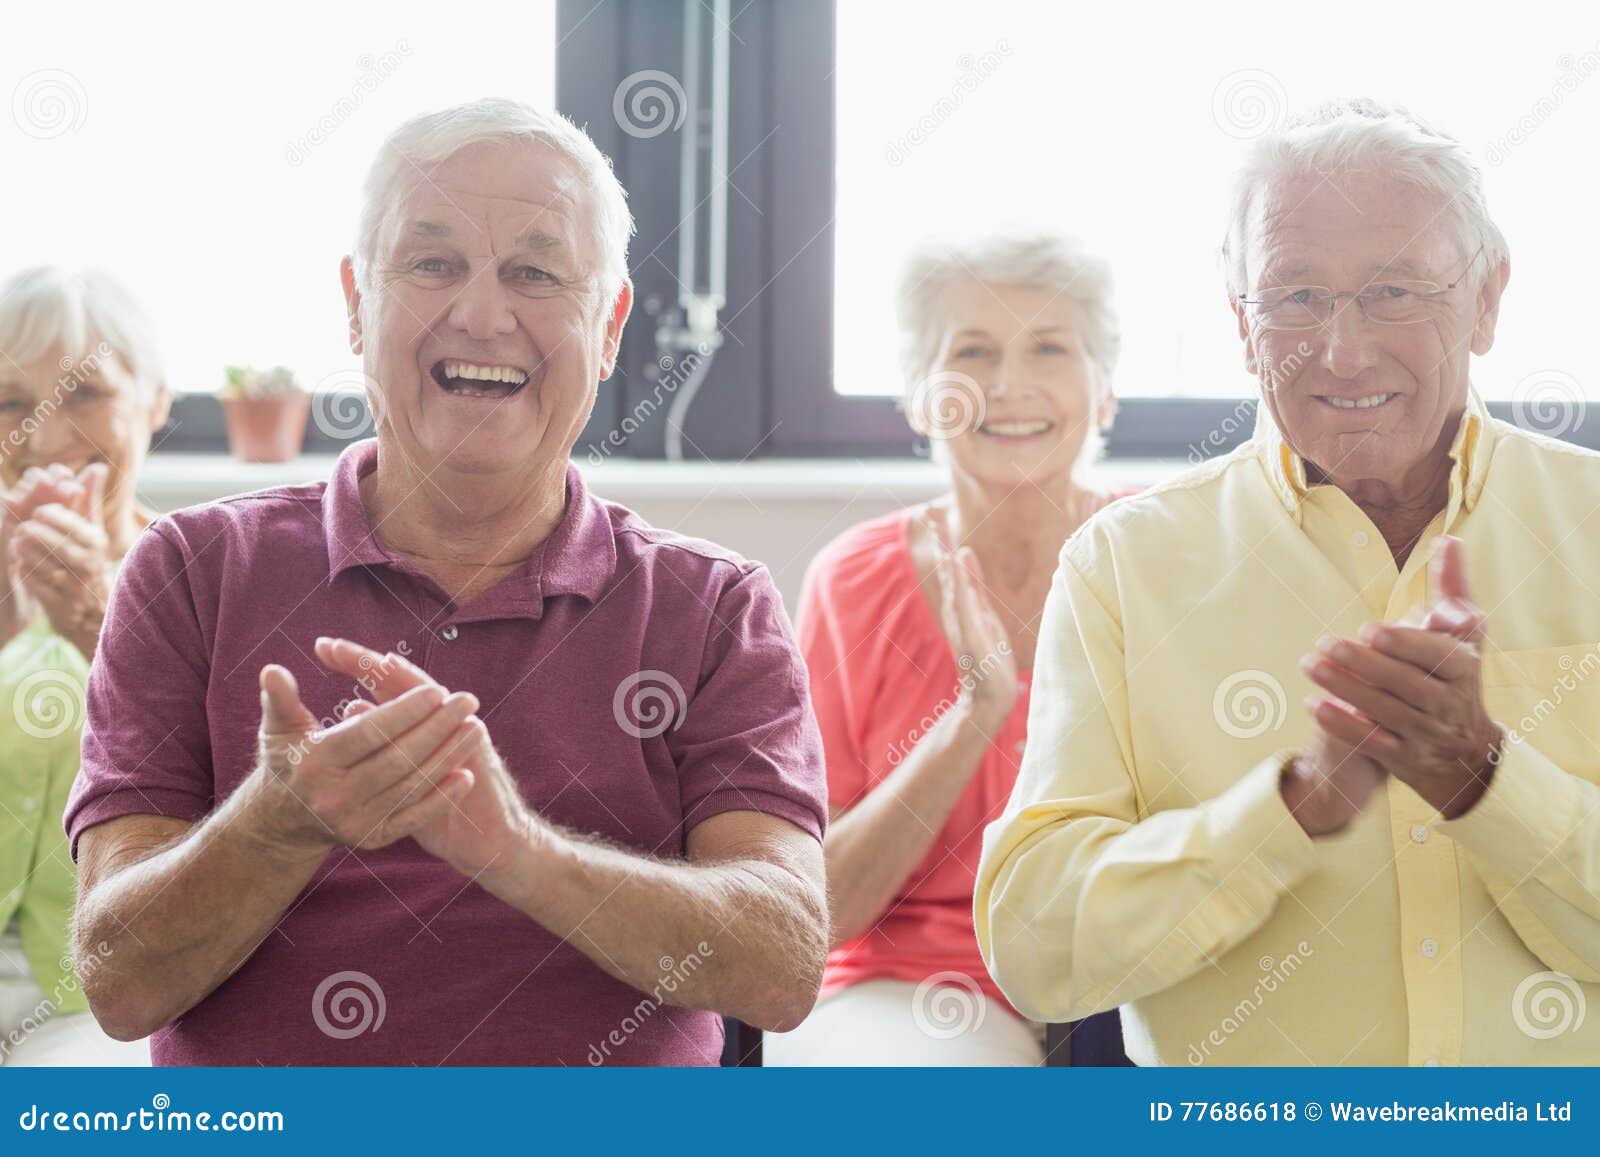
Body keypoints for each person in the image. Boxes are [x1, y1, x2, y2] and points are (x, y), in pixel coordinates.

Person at [64, 98, 829, 1066]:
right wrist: (278, 823)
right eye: (431, 263)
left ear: (608, 325)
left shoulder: (712, 606)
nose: (480, 312)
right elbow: (118, 981)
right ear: (354, 301)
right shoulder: (189, 570)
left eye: (535, 271)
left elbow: (782, 965)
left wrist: (521, 853)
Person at [976, 98, 1600, 1065]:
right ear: (1241, 322)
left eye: (1396, 292)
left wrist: (1483, 778)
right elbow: (1036, 949)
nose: (1344, 350)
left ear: (1487, 301)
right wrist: (1288, 810)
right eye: (1297, 297)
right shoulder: (1126, 565)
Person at [765, 233, 1123, 1065]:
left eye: (1049, 347)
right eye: (972, 351)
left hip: (1133, 965)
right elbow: (818, 904)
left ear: (1103, 392)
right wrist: (974, 714)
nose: (1009, 386)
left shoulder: (1165, 553)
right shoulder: (855, 579)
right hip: (916, 979)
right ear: (921, 395)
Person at [0, 266, 169, 1065]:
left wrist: (103, 631)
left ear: (157, 401)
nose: (43, 438)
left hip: (101, 997)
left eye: (83, 394)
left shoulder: (210, 583)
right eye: (9, 403)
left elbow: (248, 801)